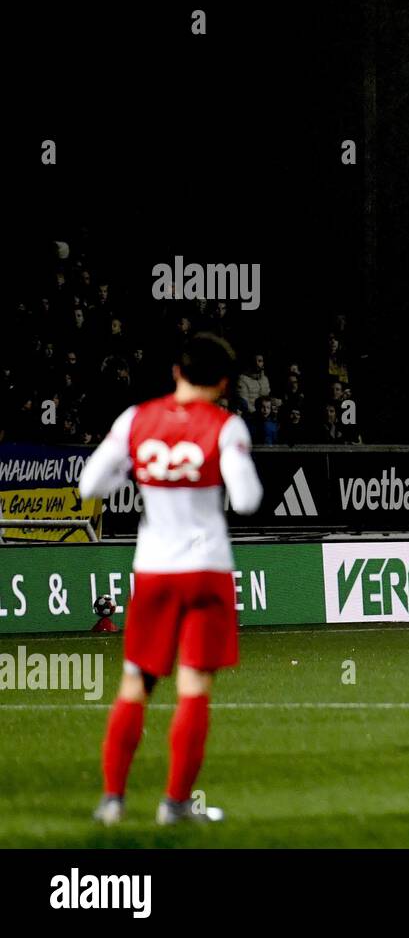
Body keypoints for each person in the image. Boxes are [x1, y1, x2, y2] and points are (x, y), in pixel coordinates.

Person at [78, 333, 264, 825]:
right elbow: (245, 500)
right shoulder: (225, 427)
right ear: (224, 383)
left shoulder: (136, 419)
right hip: (206, 571)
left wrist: (131, 472)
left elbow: (90, 485)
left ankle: (113, 802)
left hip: (155, 569)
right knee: (194, 686)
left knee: (135, 683)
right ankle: (174, 805)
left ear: (177, 373)